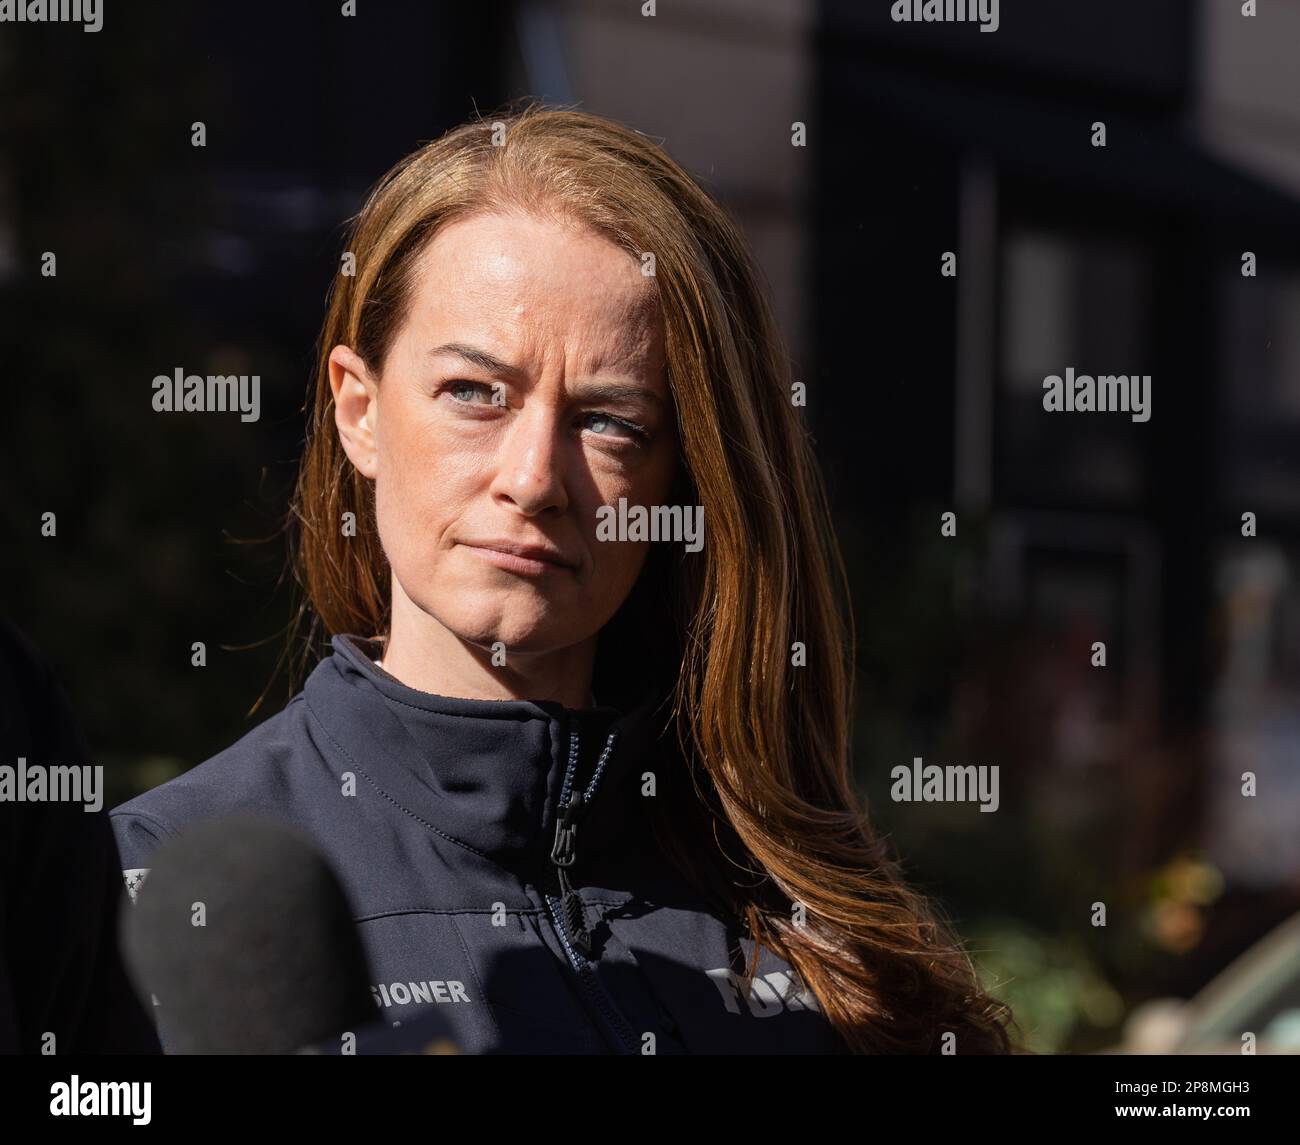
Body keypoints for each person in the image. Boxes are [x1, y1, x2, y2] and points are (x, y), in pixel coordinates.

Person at [112, 100, 1019, 1054]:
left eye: (611, 420)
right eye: (474, 392)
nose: (536, 478)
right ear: (359, 410)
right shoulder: (152, 888)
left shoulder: (810, 931)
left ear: (685, 472)